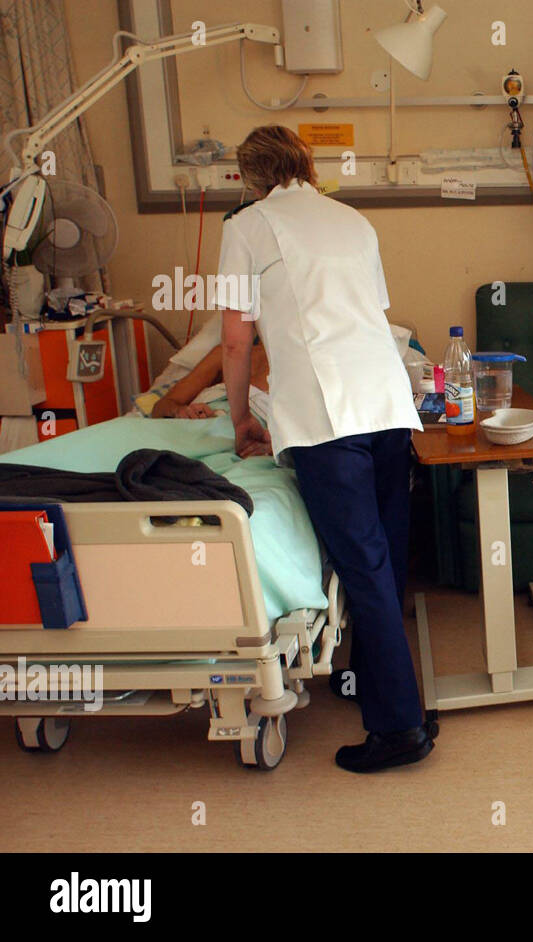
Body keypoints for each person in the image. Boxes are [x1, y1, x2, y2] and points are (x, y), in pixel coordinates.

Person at [217, 125, 430, 773]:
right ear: (305, 164)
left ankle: (399, 730)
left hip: (326, 417)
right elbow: (374, 314)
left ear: (249, 178)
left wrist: (240, 424)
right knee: (386, 559)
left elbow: (234, 341)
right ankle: (372, 678)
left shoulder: (247, 226)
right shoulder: (353, 222)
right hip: (389, 406)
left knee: (362, 566)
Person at [144, 344, 269, 419]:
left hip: (237, 437)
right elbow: (159, 408)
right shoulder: (223, 354)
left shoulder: (287, 364)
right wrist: (180, 412)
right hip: (193, 427)